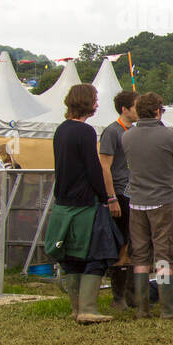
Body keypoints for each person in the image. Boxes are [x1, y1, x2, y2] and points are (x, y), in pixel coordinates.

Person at [46, 83, 118, 324]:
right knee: (96, 255)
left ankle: (76, 309)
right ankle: (88, 309)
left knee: (72, 258)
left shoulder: (61, 130)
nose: (97, 104)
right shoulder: (86, 132)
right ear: (87, 102)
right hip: (85, 204)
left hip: (64, 201)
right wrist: (106, 196)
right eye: (95, 100)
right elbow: (93, 168)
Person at [121, 92, 173, 320]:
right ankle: (167, 308)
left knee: (140, 255)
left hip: (137, 202)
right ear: (156, 110)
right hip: (162, 200)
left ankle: (142, 308)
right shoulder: (168, 135)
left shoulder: (128, 136)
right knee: (164, 255)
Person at [96, 89, 139, 311]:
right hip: (120, 193)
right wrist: (111, 196)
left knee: (132, 243)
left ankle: (132, 296)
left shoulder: (134, 131)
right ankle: (118, 297)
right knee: (121, 244)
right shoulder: (112, 132)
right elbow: (105, 166)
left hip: (134, 193)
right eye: (135, 106)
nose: (138, 110)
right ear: (125, 109)